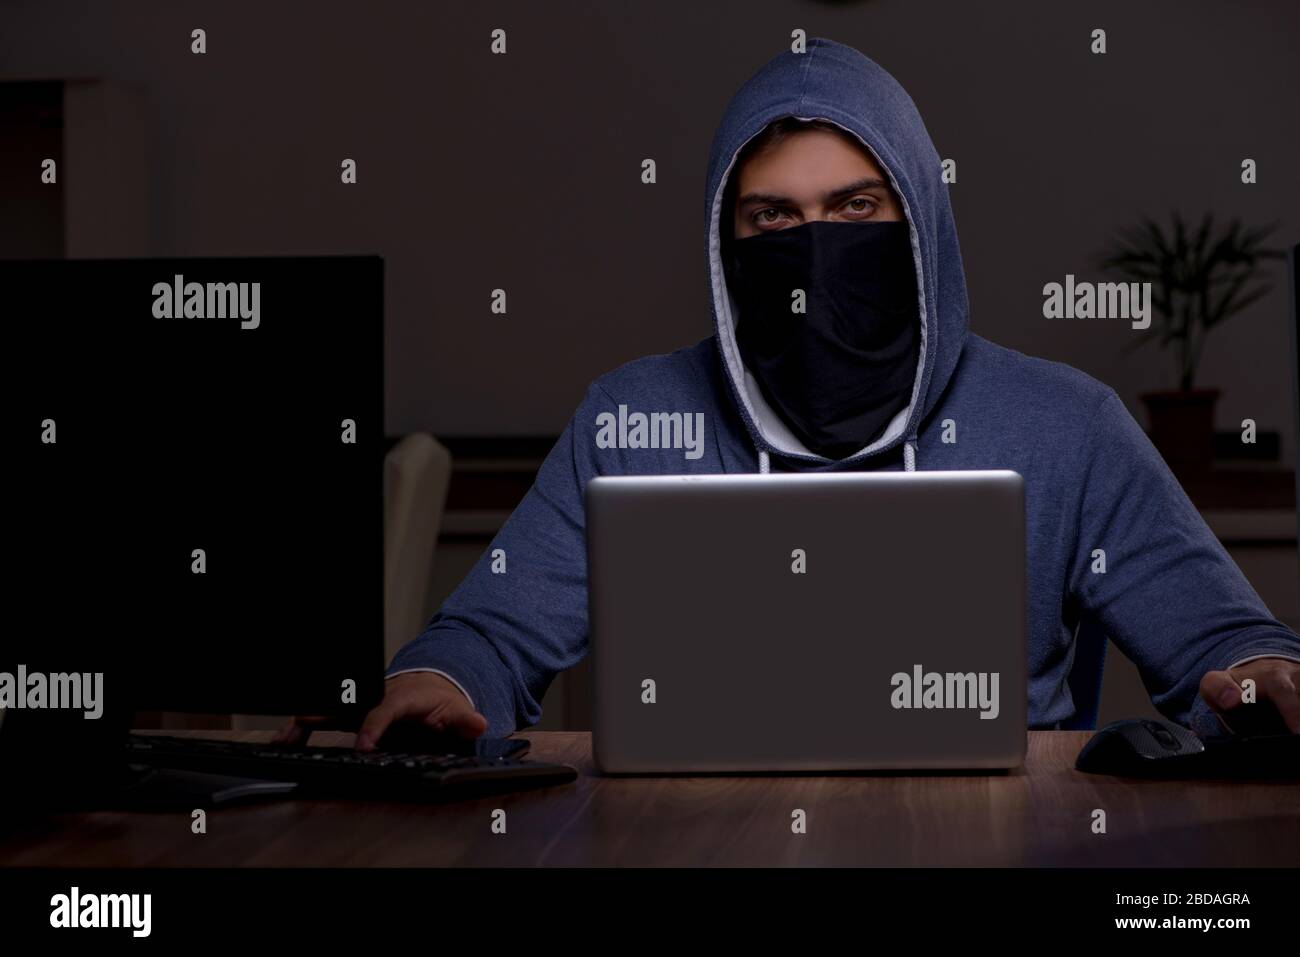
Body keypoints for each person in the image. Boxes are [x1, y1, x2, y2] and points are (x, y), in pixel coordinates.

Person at [280, 37, 1300, 751]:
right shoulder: (631, 419)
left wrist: (1259, 686)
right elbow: (490, 634)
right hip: (693, 843)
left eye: (854, 207)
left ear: (921, 224)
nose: (813, 247)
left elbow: (1223, 645)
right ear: (726, 246)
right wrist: (434, 685)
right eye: (772, 220)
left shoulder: (1065, 423)